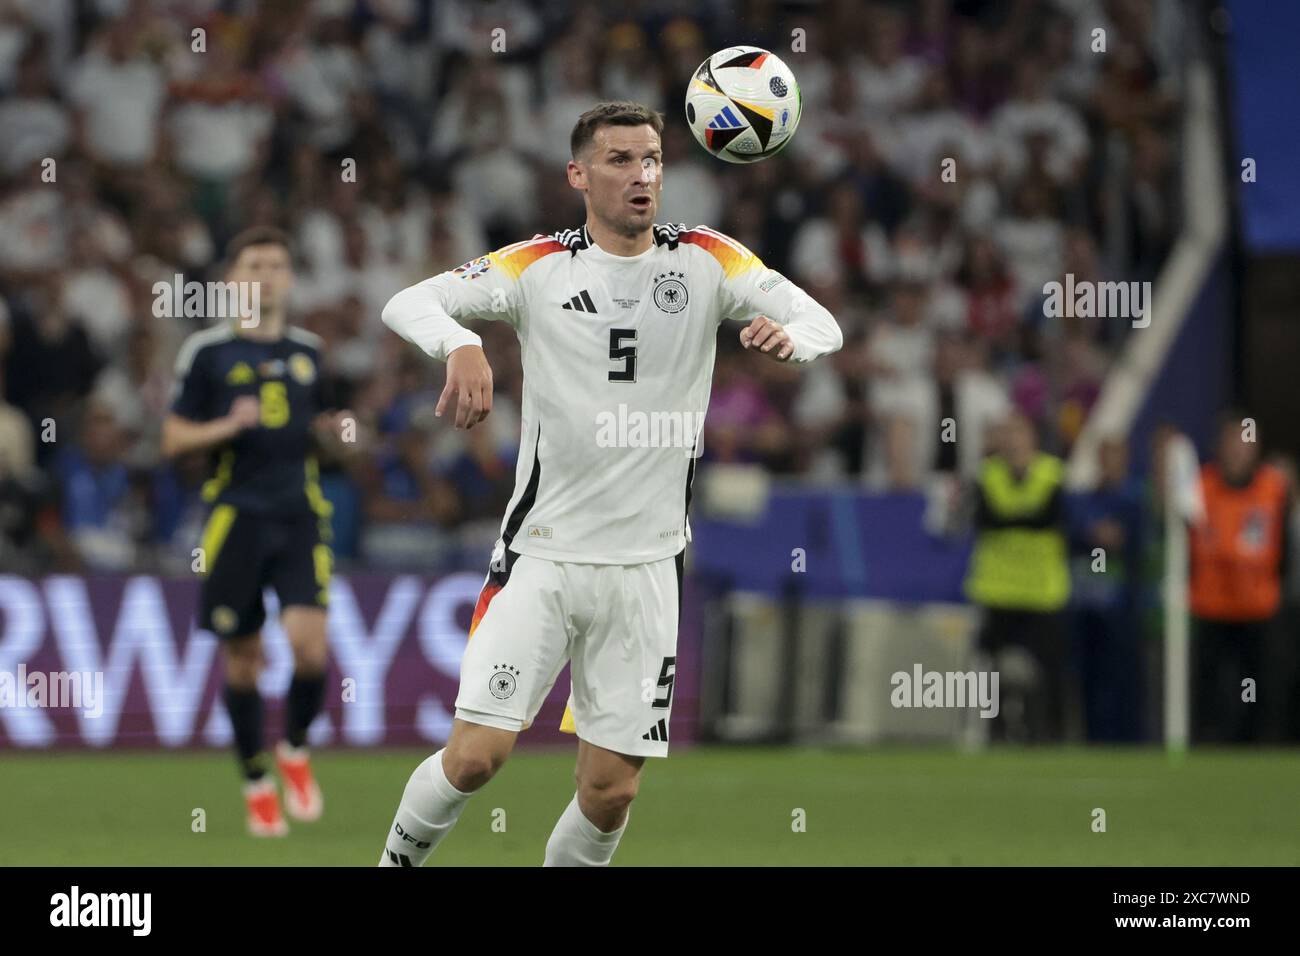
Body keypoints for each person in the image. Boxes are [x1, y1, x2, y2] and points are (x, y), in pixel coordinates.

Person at [377, 101, 843, 867]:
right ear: (579, 174)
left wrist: (794, 341)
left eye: (653, 159)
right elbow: (409, 301)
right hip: (545, 554)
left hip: (648, 566)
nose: (642, 175)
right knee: (474, 758)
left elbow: (820, 319)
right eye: (621, 160)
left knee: (609, 791)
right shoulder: (537, 267)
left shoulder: (704, 258)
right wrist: (461, 342)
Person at [161, 227, 353, 836]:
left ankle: (294, 747)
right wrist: (225, 425)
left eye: (277, 264)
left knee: (310, 649)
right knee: (243, 661)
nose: (266, 274)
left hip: (299, 515)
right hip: (235, 518)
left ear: (289, 279)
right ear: (231, 281)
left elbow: (341, 437)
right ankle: (254, 778)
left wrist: (343, 431)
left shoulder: (312, 351)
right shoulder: (207, 353)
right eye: (254, 264)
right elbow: (171, 439)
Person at [964, 410, 1073, 742]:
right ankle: (994, 734)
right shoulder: (987, 476)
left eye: (1019, 433)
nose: (1012, 441)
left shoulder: (1053, 476)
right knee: (990, 672)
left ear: (1033, 439)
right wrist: (1024, 518)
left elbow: (1050, 520)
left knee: (1049, 673)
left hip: (1042, 591)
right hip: (997, 589)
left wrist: (1011, 519)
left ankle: (1050, 736)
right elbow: (986, 520)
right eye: (1007, 433)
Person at [1188, 413, 1291, 743]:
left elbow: (1284, 548)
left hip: (1257, 607)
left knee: (1256, 686)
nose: (1238, 450)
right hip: (1212, 605)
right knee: (1212, 687)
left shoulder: (1273, 488)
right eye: (1232, 441)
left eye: (1245, 441)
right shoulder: (1200, 486)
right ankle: (1210, 743)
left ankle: (1257, 743)